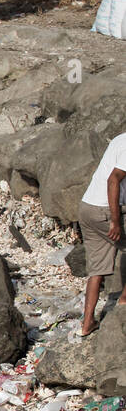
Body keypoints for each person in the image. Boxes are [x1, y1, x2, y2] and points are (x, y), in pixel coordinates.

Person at [76, 133, 126, 337]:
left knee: (96, 269)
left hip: (87, 207)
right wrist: (115, 221)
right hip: (104, 210)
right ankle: (124, 299)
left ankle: (87, 323)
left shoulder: (119, 138)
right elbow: (113, 179)